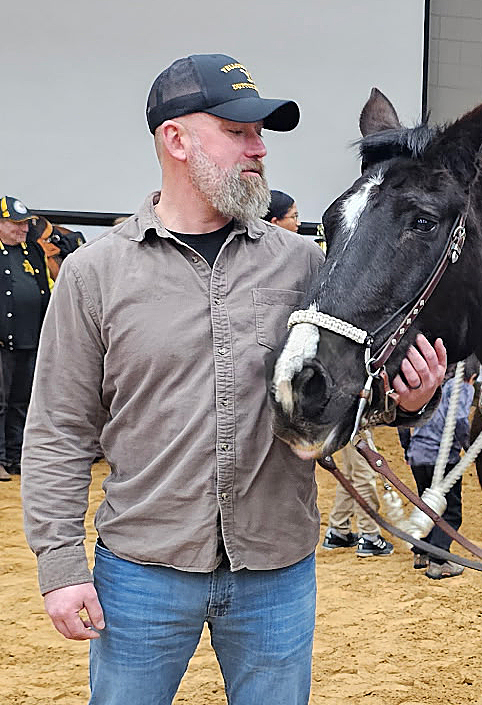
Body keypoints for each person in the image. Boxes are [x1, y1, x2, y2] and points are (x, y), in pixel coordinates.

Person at [20, 53, 444, 705]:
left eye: (261, 133)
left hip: (275, 573)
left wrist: (407, 401)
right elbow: (58, 432)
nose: (259, 149)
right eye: (239, 131)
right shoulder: (95, 275)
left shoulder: (306, 265)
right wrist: (60, 567)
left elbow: (342, 395)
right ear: (177, 139)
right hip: (141, 571)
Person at [405, 358, 479, 579]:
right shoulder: (461, 387)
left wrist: (407, 447)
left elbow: (405, 421)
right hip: (443, 459)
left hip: (419, 455)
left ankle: (421, 552)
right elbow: (459, 420)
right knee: (451, 511)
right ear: (472, 377)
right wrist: (469, 447)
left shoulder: (428, 388)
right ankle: (439, 561)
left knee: (426, 504)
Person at [0, 196, 51, 481]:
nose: (24, 230)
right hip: (1, 341)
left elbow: (42, 288)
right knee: (0, 401)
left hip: (29, 338)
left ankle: (16, 456)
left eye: (26, 224)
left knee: (22, 400)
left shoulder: (31, 251)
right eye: (16, 224)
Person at [321, 430, 395, 557]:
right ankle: (369, 536)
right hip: (357, 421)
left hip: (347, 420)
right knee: (363, 474)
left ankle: (338, 530)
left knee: (350, 473)